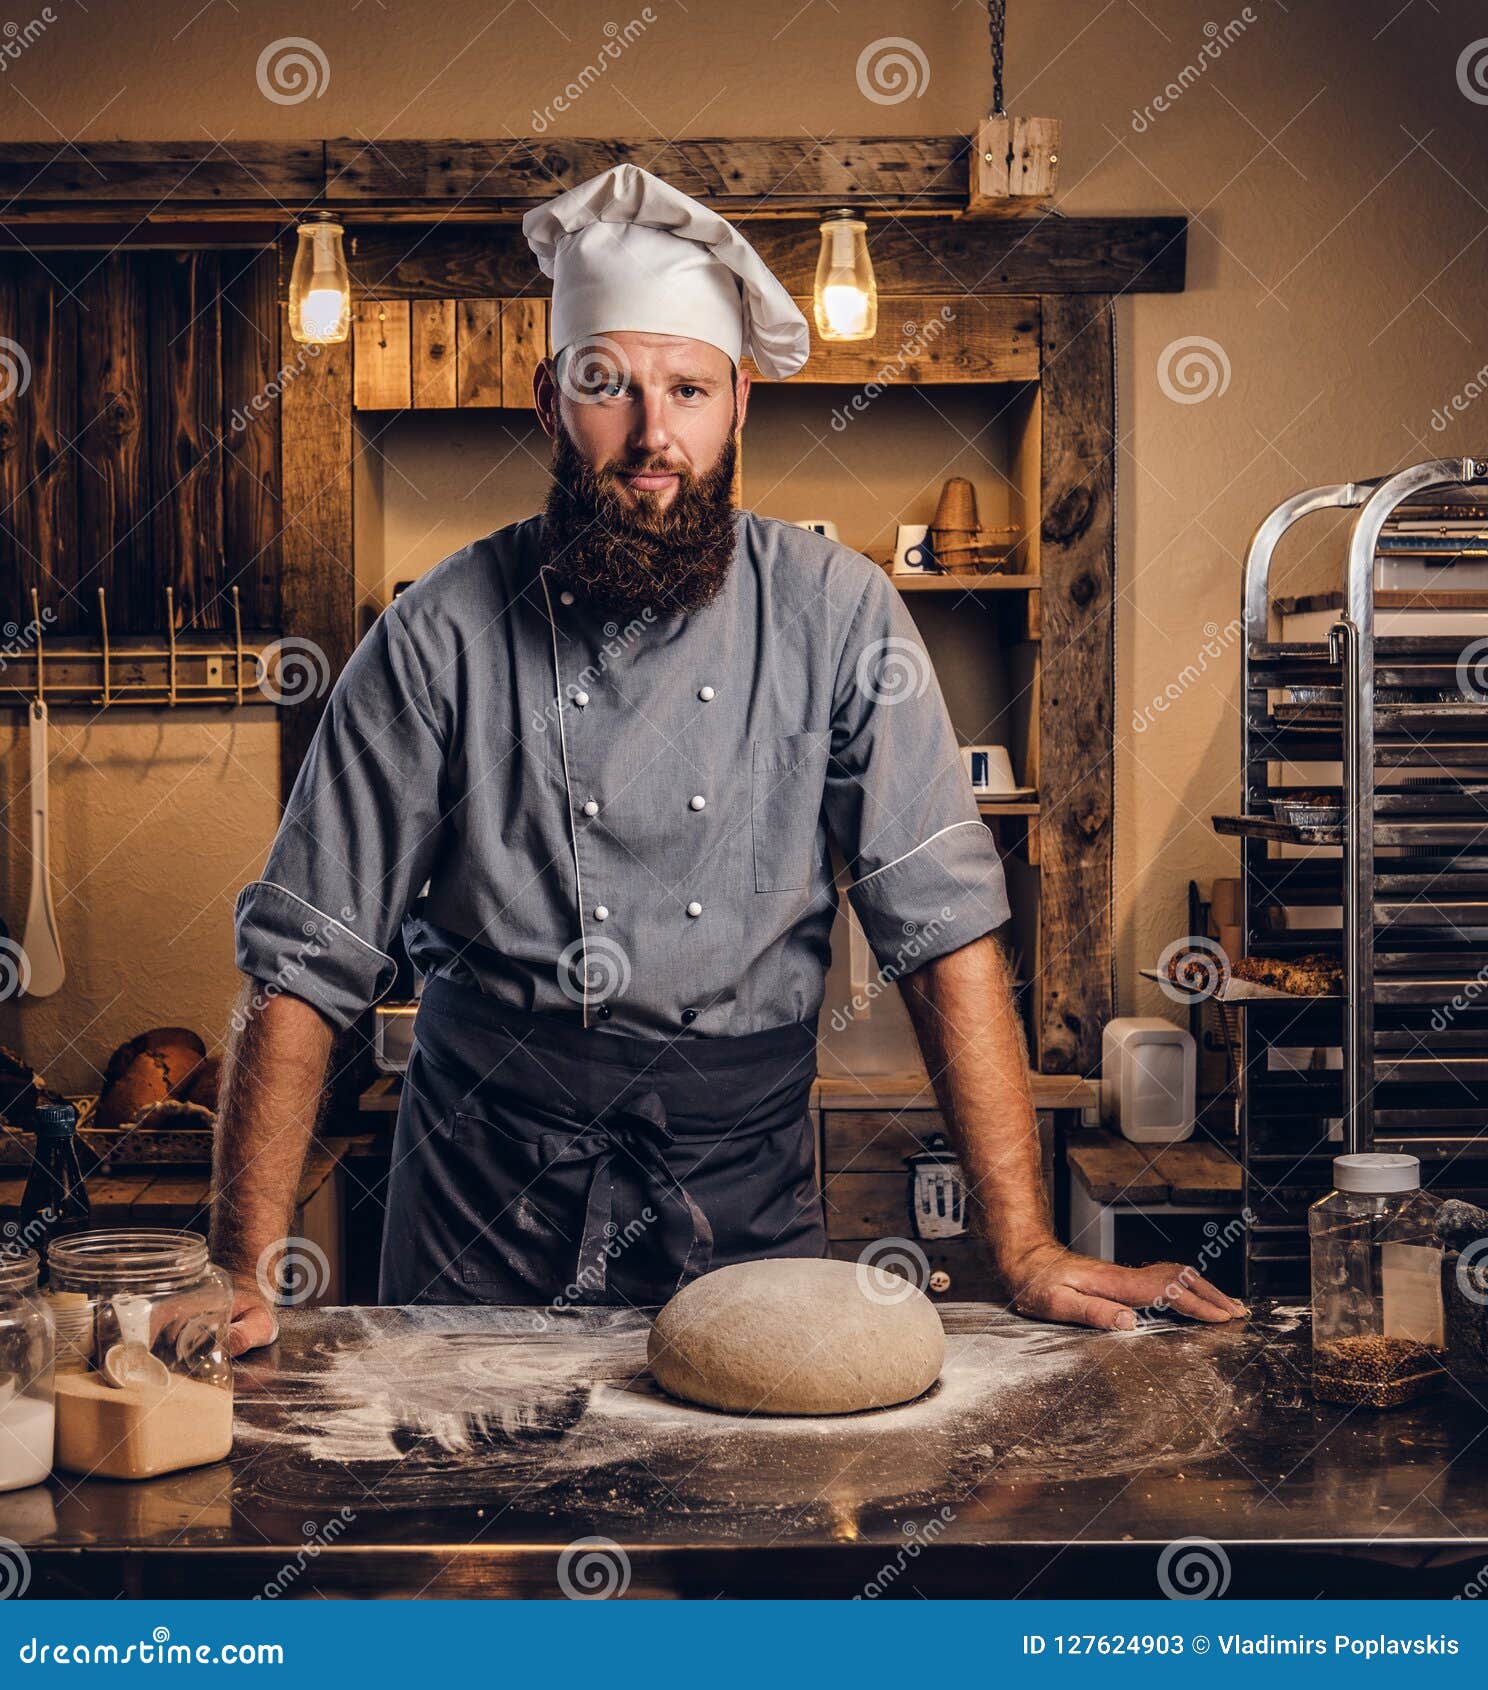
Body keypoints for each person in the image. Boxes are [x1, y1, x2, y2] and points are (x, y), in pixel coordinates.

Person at [215, 164, 1243, 1353]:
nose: (656, 438)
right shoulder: (439, 631)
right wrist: (239, 1265)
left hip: (738, 1195)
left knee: (746, 1514)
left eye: (689, 391)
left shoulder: (839, 616)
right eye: (612, 388)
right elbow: (305, 952)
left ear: (739, 402)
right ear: (552, 402)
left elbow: (943, 928)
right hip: (481, 1203)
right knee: (464, 1504)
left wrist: (1022, 1247)